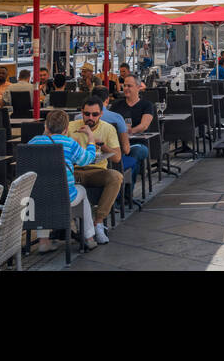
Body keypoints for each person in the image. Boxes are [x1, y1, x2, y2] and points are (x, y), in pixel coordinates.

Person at [28, 108, 99, 250]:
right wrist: (91, 139)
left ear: (46, 126)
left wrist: (45, 133)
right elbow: (88, 159)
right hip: (64, 196)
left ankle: (43, 241)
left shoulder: (33, 142)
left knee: (44, 189)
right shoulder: (69, 143)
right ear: (66, 129)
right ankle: (89, 237)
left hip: (36, 198)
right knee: (82, 191)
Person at [69, 98, 123, 245]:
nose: (90, 118)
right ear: (81, 112)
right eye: (87, 114)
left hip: (96, 172)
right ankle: (65, 226)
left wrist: (101, 144)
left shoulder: (108, 128)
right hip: (74, 172)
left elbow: (117, 158)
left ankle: (98, 222)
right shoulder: (70, 127)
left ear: (101, 114)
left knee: (116, 176)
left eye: (95, 114)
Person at [108, 75, 153, 177]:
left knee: (134, 154)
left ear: (138, 87)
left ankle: (127, 188)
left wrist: (129, 131)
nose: (126, 88)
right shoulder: (116, 105)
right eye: (124, 86)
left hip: (138, 143)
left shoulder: (146, 105)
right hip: (118, 144)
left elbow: (144, 126)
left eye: (129, 86)